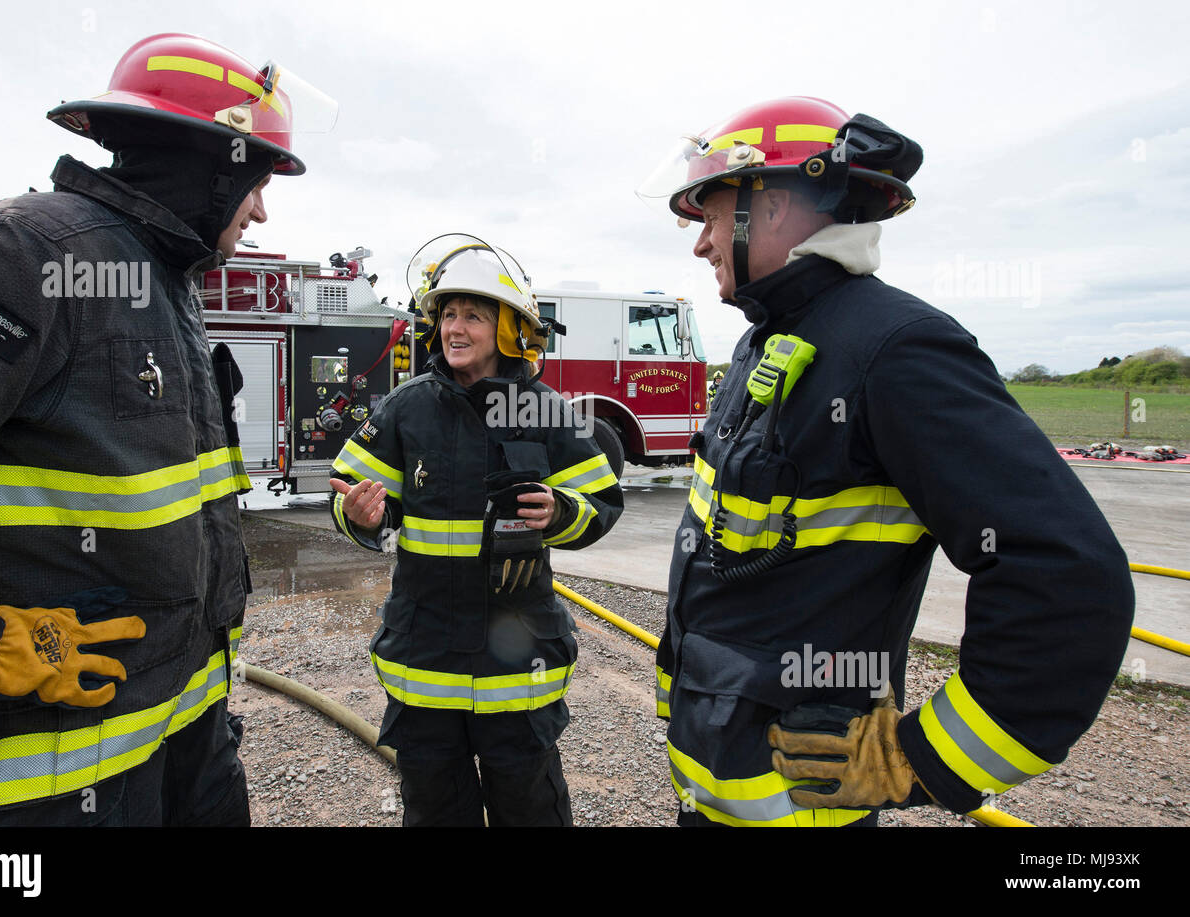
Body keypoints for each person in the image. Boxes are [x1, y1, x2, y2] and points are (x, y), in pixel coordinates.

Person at [636, 97, 1135, 826]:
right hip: (713, 792)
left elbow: (1070, 578)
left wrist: (921, 757)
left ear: (770, 208)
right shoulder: (762, 345)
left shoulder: (895, 350)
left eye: (709, 215)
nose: (700, 243)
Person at [0, 33, 336, 825]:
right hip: (37, 788)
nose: (262, 207)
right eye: (259, 179)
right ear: (215, 163)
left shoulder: (165, 288)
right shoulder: (25, 258)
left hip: (180, 743)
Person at [329, 235, 623, 826]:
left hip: (518, 666)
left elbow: (602, 500)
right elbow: (349, 497)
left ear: (511, 328)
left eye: (474, 316)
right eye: (448, 316)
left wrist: (562, 513)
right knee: (436, 808)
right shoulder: (405, 408)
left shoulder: (544, 410)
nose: (455, 329)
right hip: (424, 657)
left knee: (529, 805)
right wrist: (361, 516)